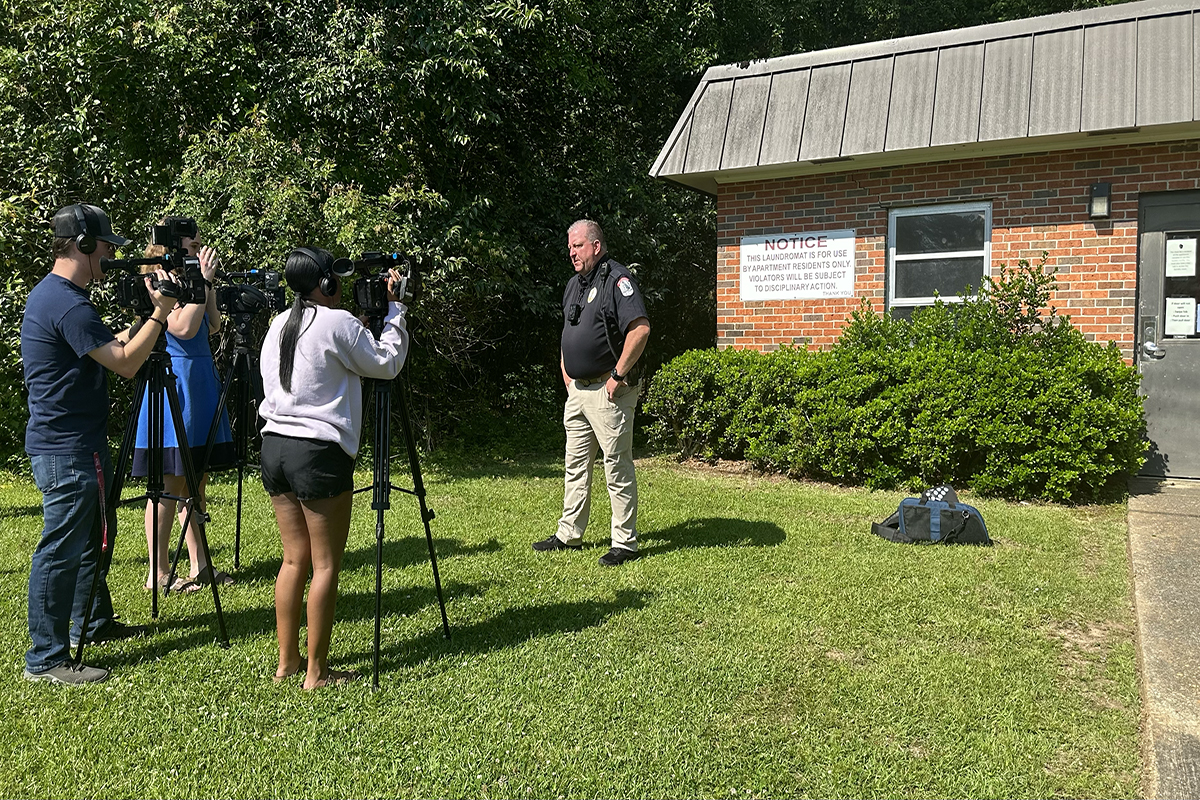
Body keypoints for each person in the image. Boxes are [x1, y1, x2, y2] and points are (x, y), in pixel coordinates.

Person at [20, 203, 177, 684]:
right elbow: (127, 362)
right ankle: (46, 657)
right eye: (107, 246)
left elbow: (105, 345)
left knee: (92, 542)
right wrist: (161, 312)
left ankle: (93, 623)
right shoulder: (66, 301)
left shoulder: (58, 297)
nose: (111, 255)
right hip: (67, 446)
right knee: (62, 548)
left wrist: (144, 316)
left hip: (72, 440)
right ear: (85, 245)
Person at [258, 247, 409, 689]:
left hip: (274, 447)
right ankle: (317, 673)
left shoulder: (279, 324)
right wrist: (395, 310)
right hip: (317, 454)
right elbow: (386, 364)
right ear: (326, 284)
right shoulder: (337, 322)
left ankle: (287, 663)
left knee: (293, 559)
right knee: (325, 566)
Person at [533, 219, 651, 566]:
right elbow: (569, 331)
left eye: (578, 246)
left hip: (608, 392)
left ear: (596, 247)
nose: (572, 252)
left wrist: (617, 375)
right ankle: (569, 534)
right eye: (569, 247)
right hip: (579, 393)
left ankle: (624, 544)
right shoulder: (574, 284)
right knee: (575, 465)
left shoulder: (618, 279)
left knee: (616, 466)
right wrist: (566, 371)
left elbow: (640, 329)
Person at [131, 217, 235, 594]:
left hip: (199, 378)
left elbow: (211, 326)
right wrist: (203, 282)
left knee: (196, 480)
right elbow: (183, 328)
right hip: (174, 382)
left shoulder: (191, 282)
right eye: (192, 248)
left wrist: (205, 286)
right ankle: (157, 573)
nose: (197, 253)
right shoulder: (158, 282)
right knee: (169, 484)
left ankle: (200, 564)